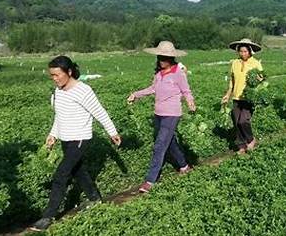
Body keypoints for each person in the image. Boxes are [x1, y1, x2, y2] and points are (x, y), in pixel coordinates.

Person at [30, 56, 122, 232]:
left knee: (61, 174)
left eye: (57, 75)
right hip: (65, 139)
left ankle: (47, 216)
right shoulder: (58, 91)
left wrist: (112, 132)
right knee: (79, 171)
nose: (54, 79)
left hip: (80, 139)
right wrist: (53, 134)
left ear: (69, 72)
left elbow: (99, 112)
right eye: (52, 75)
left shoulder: (83, 90)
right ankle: (95, 199)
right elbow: (60, 115)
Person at [127, 41, 195, 193]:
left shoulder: (178, 72)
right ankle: (184, 166)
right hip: (159, 113)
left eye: (165, 57)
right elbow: (153, 89)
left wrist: (190, 102)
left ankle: (150, 180)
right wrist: (136, 94)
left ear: (171, 58)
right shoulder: (158, 74)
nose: (161, 60)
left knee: (159, 146)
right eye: (160, 57)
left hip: (172, 114)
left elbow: (186, 90)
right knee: (169, 142)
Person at [221, 38, 263, 154]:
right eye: (241, 51)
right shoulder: (235, 63)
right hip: (236, 97)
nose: (243, 53)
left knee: (243, 121)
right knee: (236, 121)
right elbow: (232, 80)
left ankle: (251, 139)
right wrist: (228, 94)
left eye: (245, 51)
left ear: (250, 51)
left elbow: (262, 78)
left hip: (248, 97)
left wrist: (261, 79)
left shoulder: (255, 63)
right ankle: (241, 146)